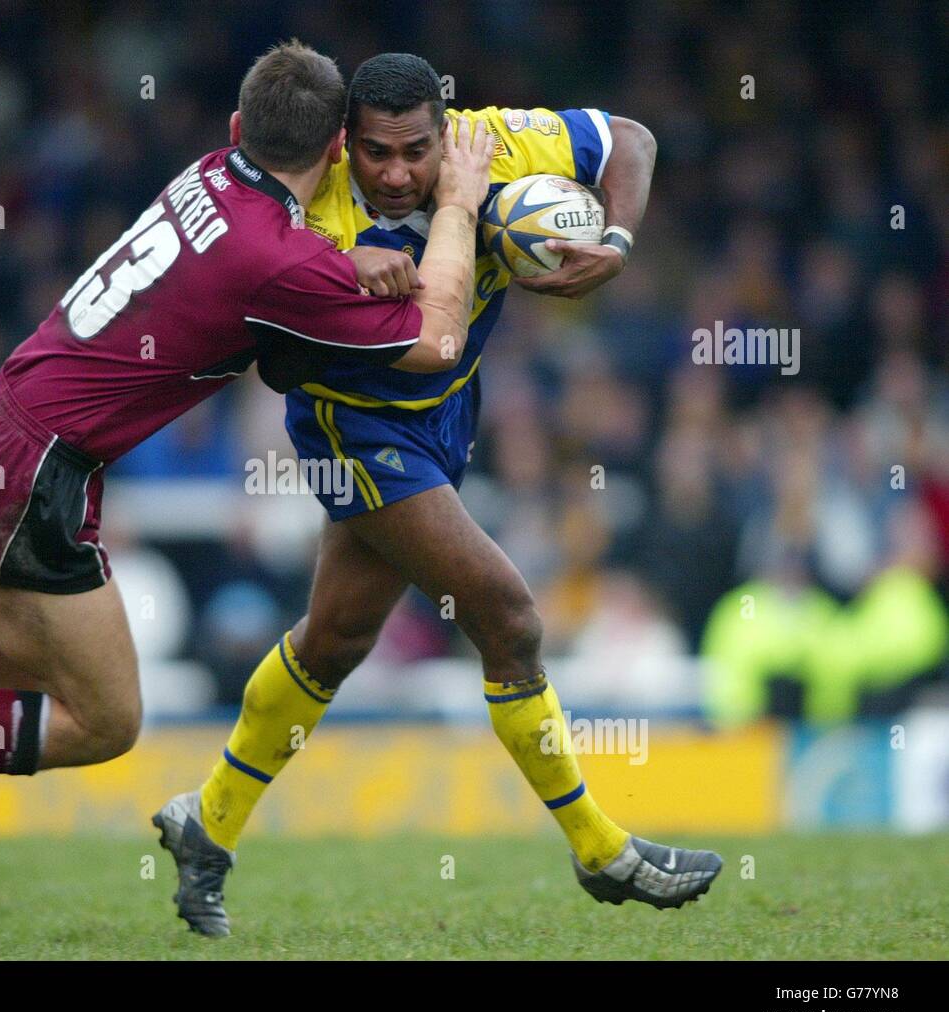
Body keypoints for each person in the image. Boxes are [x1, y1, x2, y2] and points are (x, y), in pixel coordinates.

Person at [0, 41, 497, 944]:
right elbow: (433, 339)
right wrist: (460, 204)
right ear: (342, 150)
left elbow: (248, 274)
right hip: (33, 470)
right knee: (106, 722)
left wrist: (347, 271)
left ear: (240, 128)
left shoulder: (210, 175)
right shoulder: (280, 260)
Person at [153, 53, 721, 938]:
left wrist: (615, 241)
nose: (393, 172)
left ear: (442, 132)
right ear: (346, 143)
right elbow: (274, 357)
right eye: (374, 152)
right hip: (355, 433)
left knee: (333, 640)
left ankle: (206, 820)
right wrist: (349, 278)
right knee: (509, 616)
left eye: (414, 151)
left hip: (445, 422)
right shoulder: (313, 209)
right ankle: (601, 850)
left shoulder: (493, 142)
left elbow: (632, 140)